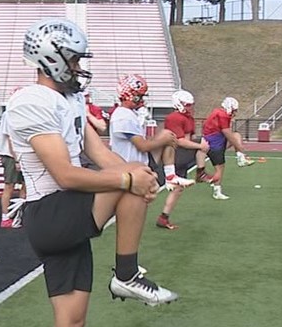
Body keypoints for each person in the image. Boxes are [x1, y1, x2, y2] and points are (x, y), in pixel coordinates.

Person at [6, 18, 178, 327]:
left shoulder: (70, 100)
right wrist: (128, 182)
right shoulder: (31, 100)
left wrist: (140, 179)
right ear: (53, 58)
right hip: (50, 211)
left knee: (71, 323)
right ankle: (126, 275)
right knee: (130, 179)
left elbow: (99, 154)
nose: (81, 65)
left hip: (65, 212)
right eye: (75, 58)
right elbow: (65, 174)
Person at [108, 74, 190, 230]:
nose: (142, 99)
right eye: (139, 96)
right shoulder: (122, 116)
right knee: (132, 217)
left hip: (140, 161)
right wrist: (162, 140)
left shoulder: (129, 114)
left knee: (168, 135)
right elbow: (142, 146)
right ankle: (170, 176)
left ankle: (171, 176)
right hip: (131, 166)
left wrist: (164, 138)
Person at [155, 89, 210, 230]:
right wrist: (200, 146)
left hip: (181, 154)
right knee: (154, 186)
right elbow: (179, 141)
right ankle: (201, 173)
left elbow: (186, 140)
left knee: (178, 189)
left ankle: (164, 217)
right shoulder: (175, 118)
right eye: (187, 105)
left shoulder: (187, 118)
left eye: (191, 105)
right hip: (174, 155)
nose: (190, 108)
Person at [200, 96, 254, 201]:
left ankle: (240, 158)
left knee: (237, 136)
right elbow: (227, 133)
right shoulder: (222, 115)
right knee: (220, 168)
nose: (235, 113)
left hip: (215, 140)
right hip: (215, 144)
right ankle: (217, 191)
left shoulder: (218, 112)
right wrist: (240, 148)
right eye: (234, 110)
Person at [0, 100, 23, 229]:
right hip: (10, 155)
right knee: (9, 185)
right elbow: (11, 138)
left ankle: (21, 214)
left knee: (26, 184)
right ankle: (5, 216)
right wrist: (17, 159)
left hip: (19, 154)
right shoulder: (10, 114)